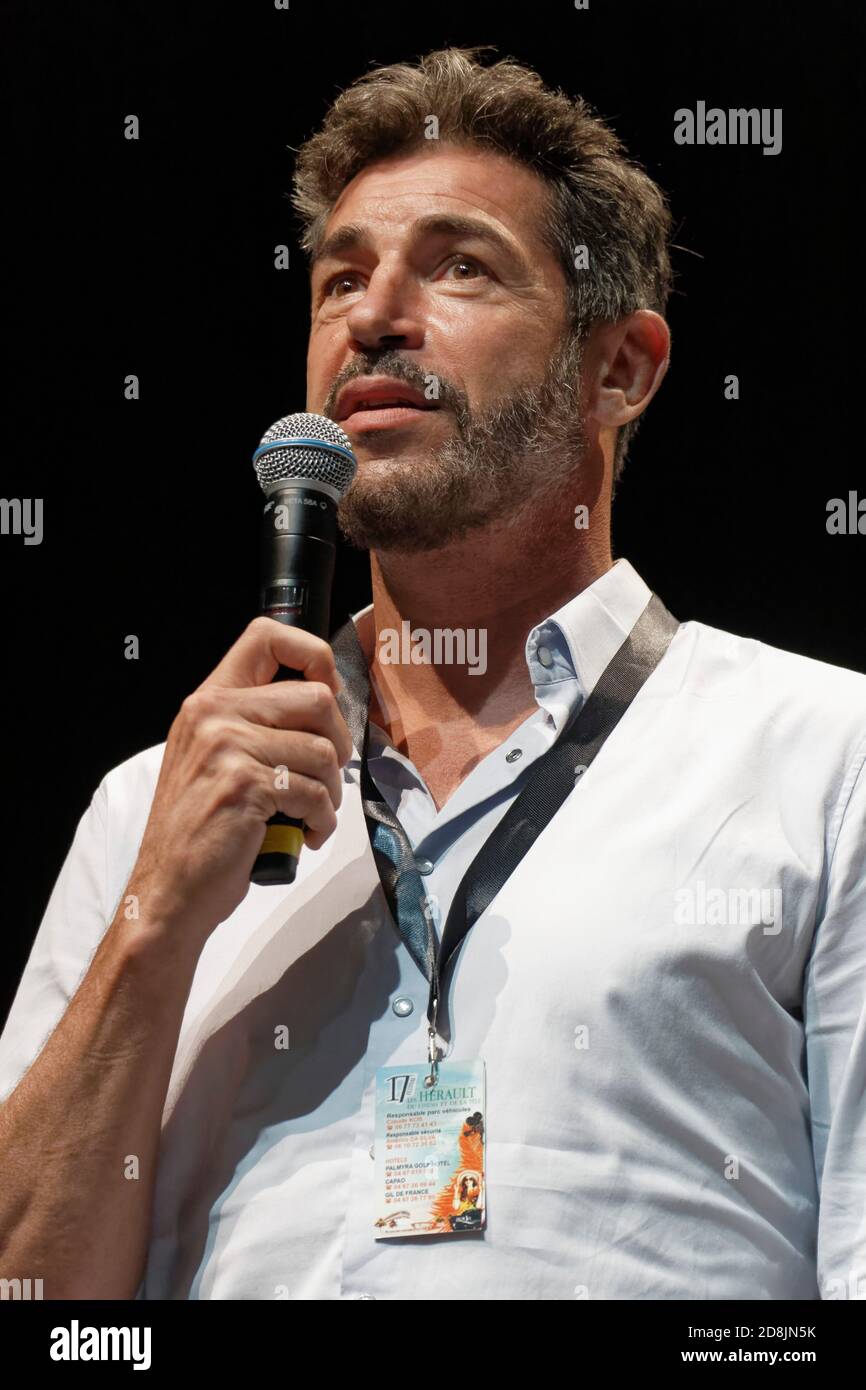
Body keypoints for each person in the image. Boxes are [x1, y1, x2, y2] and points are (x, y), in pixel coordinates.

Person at [1, 46, 864, 1302]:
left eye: (458, 266)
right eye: (339, 277)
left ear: (616, 368)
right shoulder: (152, 811)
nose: (372, 314)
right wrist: (153, 933)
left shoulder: (823, 756)